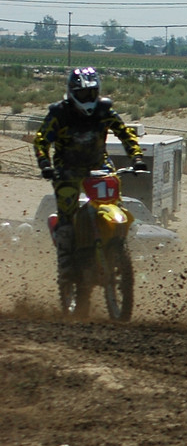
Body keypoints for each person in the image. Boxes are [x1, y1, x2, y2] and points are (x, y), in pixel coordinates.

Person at [33, 66, 146, 296]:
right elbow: (41, 140)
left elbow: (125, 132)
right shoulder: (60, 113)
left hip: (99, 165)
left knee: (116, 202)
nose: (88, 98)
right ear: (73, 92)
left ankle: (117, 245)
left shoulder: (104, 110)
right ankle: (67, 268)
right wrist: (45, 165)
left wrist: (137, 157)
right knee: (67, 214)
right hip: (67, 169)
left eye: (92, 93)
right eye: (83, 94)